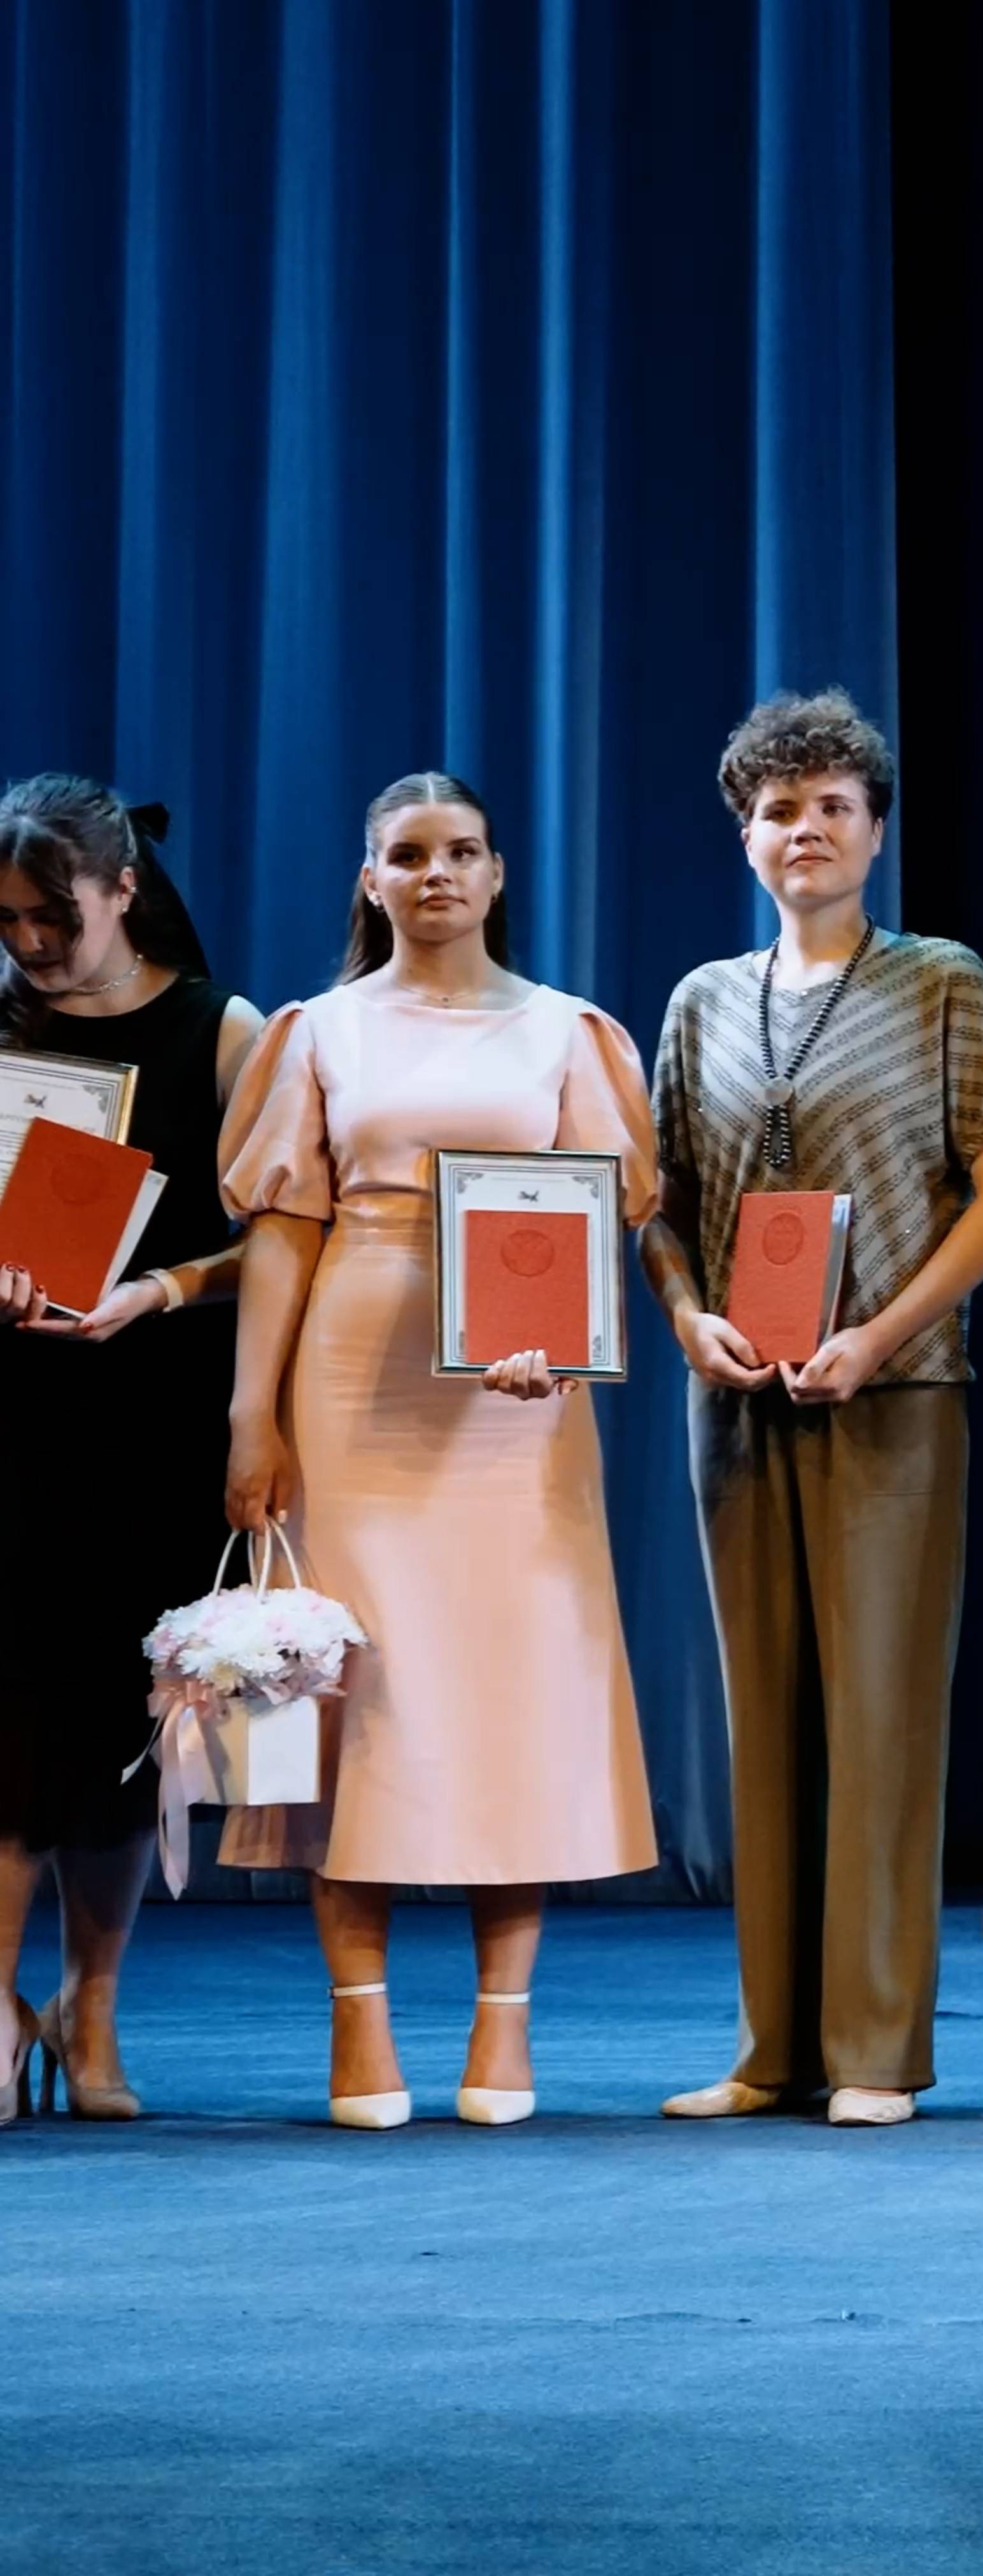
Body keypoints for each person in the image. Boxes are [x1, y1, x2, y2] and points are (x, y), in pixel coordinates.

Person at [217, 772, 660, 2127]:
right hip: (355, 1383)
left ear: (497, 871)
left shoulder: (568, 1031)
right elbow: (282, 1232)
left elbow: (600, 1221)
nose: (436, 874)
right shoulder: (318, 1030)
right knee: (354, 1691)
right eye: (407, 854)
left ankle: (502, 2030)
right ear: (371, 878)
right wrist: (252, 1413)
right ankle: (359, 2026)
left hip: (517, 1413)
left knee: (508, 1690)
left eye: (461, 851)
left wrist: (558, 1344)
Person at [640, 694, 983, 2130]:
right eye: (776, 812)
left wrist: (882, 1334)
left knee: (880, 1716)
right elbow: (662, 1204)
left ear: (873, 832)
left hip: (896, 1389)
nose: (803, 831)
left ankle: (873, 2049)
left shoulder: (940, 983)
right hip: (742, 1397)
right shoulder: (700, 1001)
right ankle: (772, 2050)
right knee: (766, 1719)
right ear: (744, 838)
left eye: (830, 809)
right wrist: (689, 1319)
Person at [0, 781, 261, 2122]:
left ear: (124, 889)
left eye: (54, 915)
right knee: (6, 1717)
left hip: (153, 1411)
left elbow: (284, 1239)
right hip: (10, 1409)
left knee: (119, 1732)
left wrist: (157, 1291)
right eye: (7, 921)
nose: (31, 944)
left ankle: (88, 2007)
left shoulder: (224, 1030)